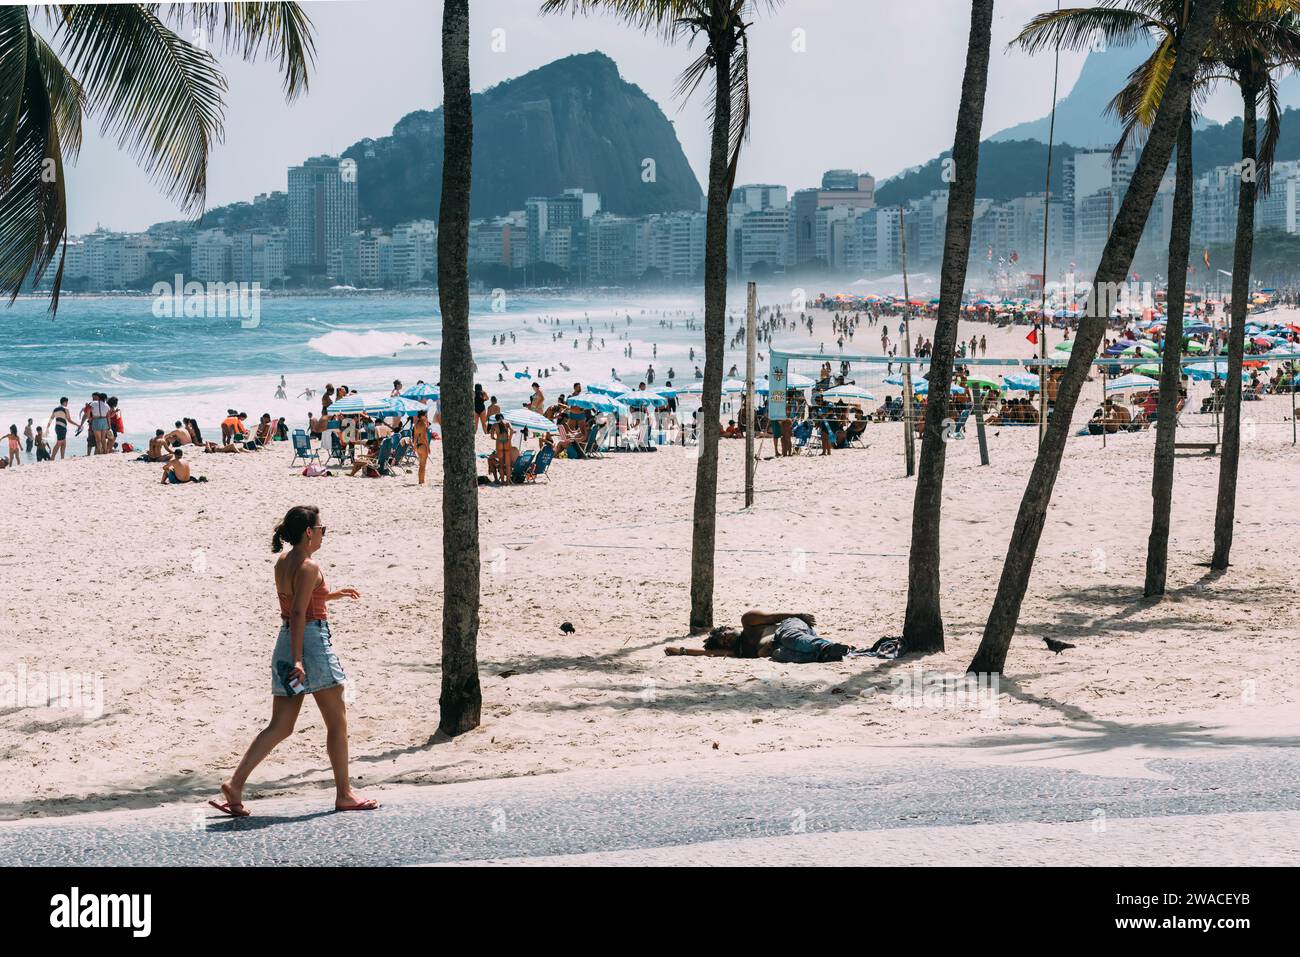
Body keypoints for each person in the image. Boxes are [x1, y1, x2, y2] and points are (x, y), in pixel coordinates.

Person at [210, 506, 377, 817]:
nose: (324, 533)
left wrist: (329, 596)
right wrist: (301, 660)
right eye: (322, 528)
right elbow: (300, 613)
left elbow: (295, 602)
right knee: (337, 723)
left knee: (280, 726)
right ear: (309, 532)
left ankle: (235, 785)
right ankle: (345, 794)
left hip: (285, 642)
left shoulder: (283, 561)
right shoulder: (310, 565)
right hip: (310, 645)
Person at [413, 409, 430, 485]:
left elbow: (415, 436)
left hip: (418, 445)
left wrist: (414, 446)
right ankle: (422, 481)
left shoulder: (416, 424)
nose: (426, 416)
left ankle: (420, 480)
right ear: (422, 416)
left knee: (421, 464)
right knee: (423, 464)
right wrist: (428, 446)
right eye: (425, 415)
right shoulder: (423, 424)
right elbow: (424, 437)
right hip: (423, 445)